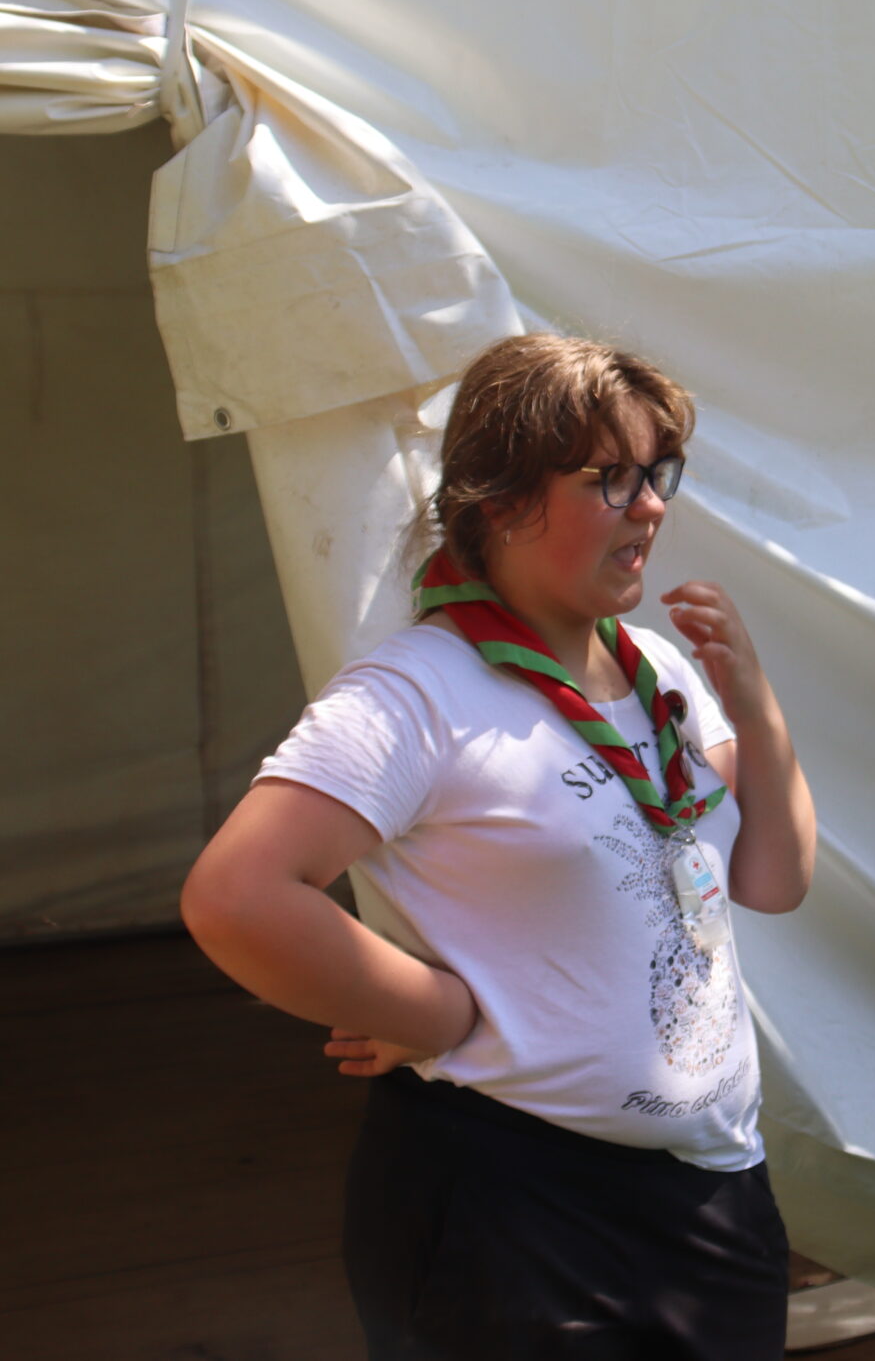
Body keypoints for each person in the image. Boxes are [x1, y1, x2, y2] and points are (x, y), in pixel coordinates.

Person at [182, 334, 817, 1361]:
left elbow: (774, 881)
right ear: (504, 502)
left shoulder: (658, 670)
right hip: (517, 1213)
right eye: (611, 479)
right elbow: (236, 896)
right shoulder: (417, 693)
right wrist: (438, 1011)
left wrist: (756, 704)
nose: (651, 506)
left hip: (713, 1194)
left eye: (658, 472)